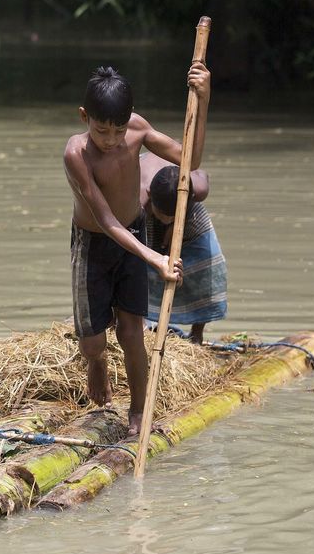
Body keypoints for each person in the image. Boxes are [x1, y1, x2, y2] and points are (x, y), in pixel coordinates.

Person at [63, 63, 211, 435]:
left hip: (132, 232)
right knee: (93, 342)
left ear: (129, 119)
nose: (111, 140)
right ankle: (96, 363)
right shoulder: (77, 154)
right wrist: (155, 257)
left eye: (117, 130)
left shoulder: (137, 129)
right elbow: (104, 218)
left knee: (132, 332)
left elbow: (190, 161)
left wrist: (204, 98)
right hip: (93, 243)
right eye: (101, 130)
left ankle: (138, 411)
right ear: (85, 117)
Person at [139, 154, 227, 344]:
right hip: (146, 212)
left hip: (187, 211)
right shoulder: (137, 197)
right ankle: (140, 324)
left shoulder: (198, 190)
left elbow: (200, 176)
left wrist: (175, 223)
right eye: (163, 216)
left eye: (171, 217)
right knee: (136, 268)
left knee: (205, 266)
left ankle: (197, 335)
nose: (166, 221)